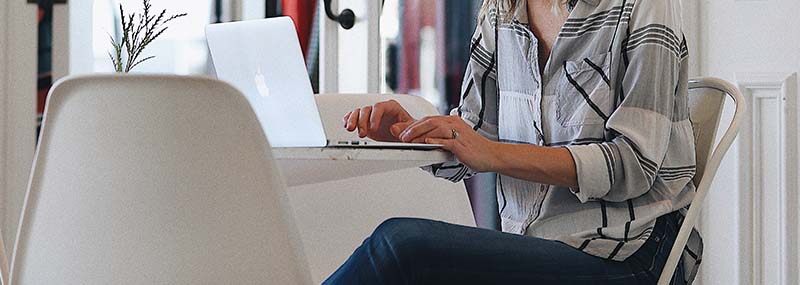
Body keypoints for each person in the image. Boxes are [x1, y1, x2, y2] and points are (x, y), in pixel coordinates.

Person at [325, 0, 701, 284]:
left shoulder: (644, 6)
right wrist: (410, 133)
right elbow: (474, 133)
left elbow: (633, 165)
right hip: (536, 243)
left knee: (401, 245)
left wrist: (491, 153)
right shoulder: (501, 11)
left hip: (630, 250)